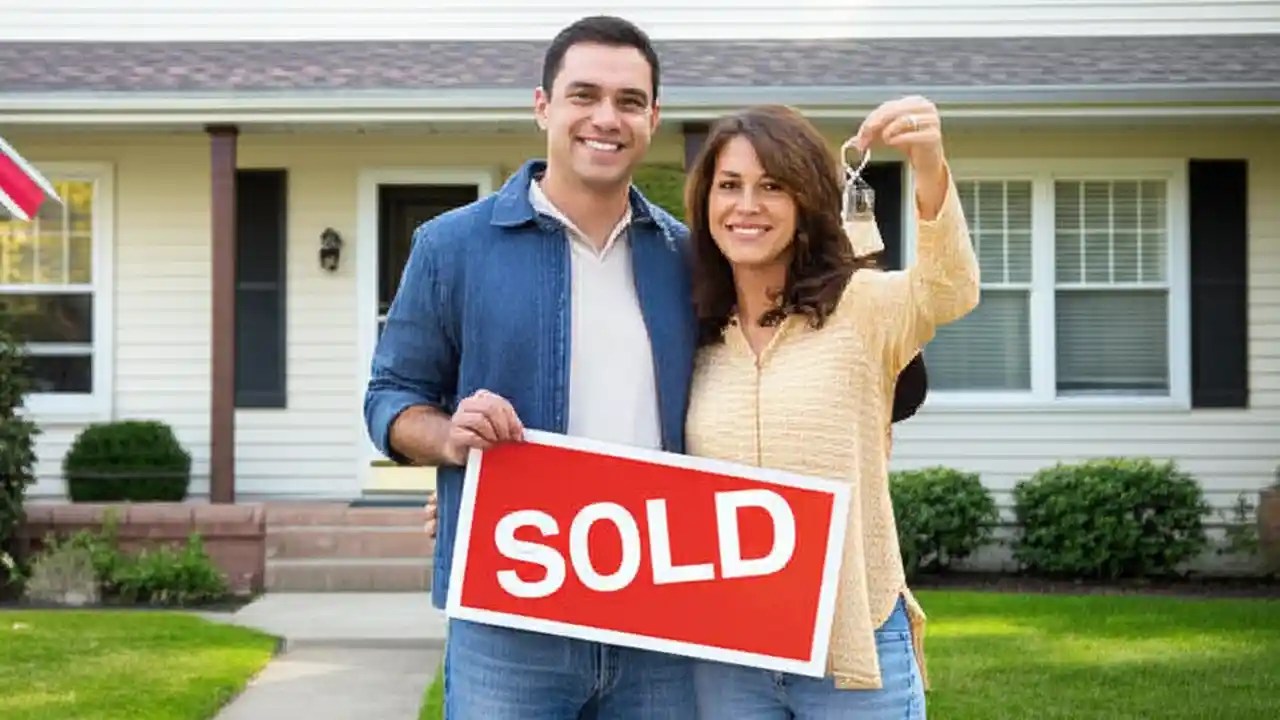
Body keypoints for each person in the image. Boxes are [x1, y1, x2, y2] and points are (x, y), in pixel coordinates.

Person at [363, 15, 700, 719]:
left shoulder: (691, 260)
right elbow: (392, 398)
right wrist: (450, 437)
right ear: (543, 105)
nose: (606, 118)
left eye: (629, 101)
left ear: (653, 118)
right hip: (512, 611)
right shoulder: (452, 246)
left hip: (662, 610)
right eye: (584, 95)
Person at [681, 102, 978, 718]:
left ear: (806, 200)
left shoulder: (863, 307)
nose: (746, 205)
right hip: (729, 655)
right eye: (729, 185)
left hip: (854, 642)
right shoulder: (691, 328)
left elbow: (949, 289)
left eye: (772, 187)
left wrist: (928, 161)